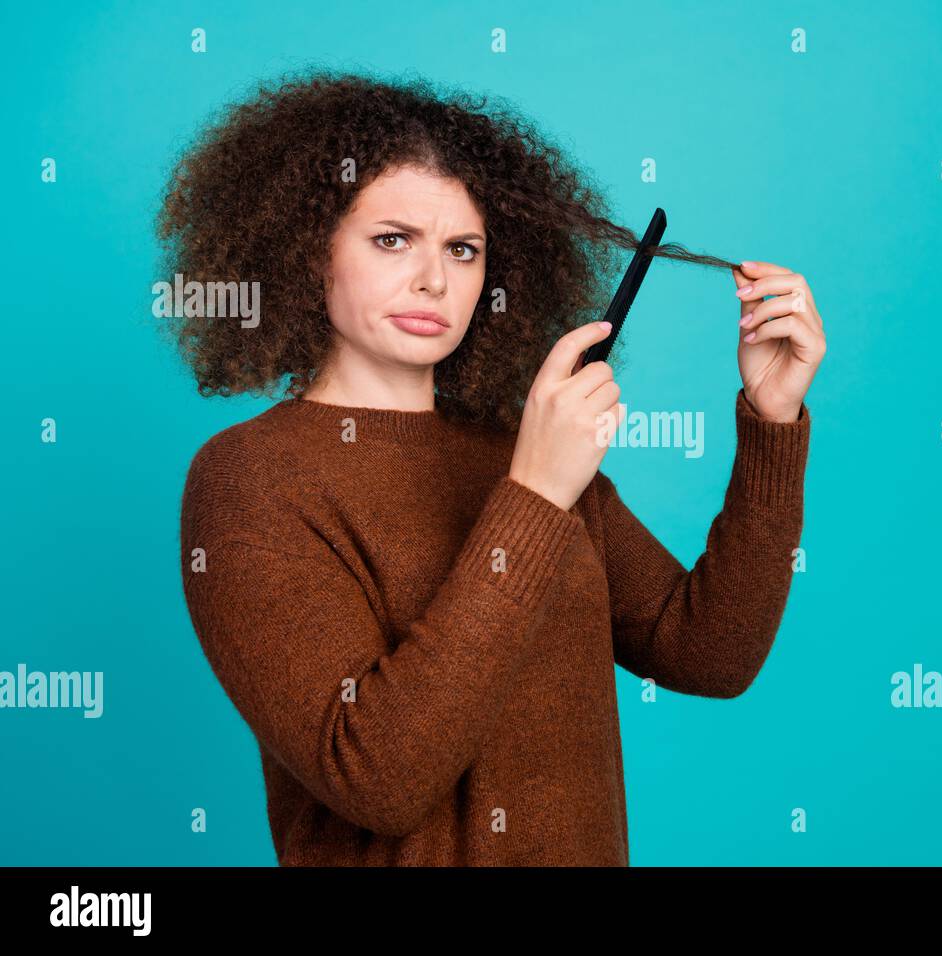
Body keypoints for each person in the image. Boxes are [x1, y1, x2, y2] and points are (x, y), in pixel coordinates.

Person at [161, 70, 826, 866]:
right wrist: (537, 493)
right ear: (311, 254)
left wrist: (772, 421)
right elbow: (379, 777)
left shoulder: (518, 449)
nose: (434, 280)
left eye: (463, 249)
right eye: (392, 240)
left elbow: (709, 654)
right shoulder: (250, 480)